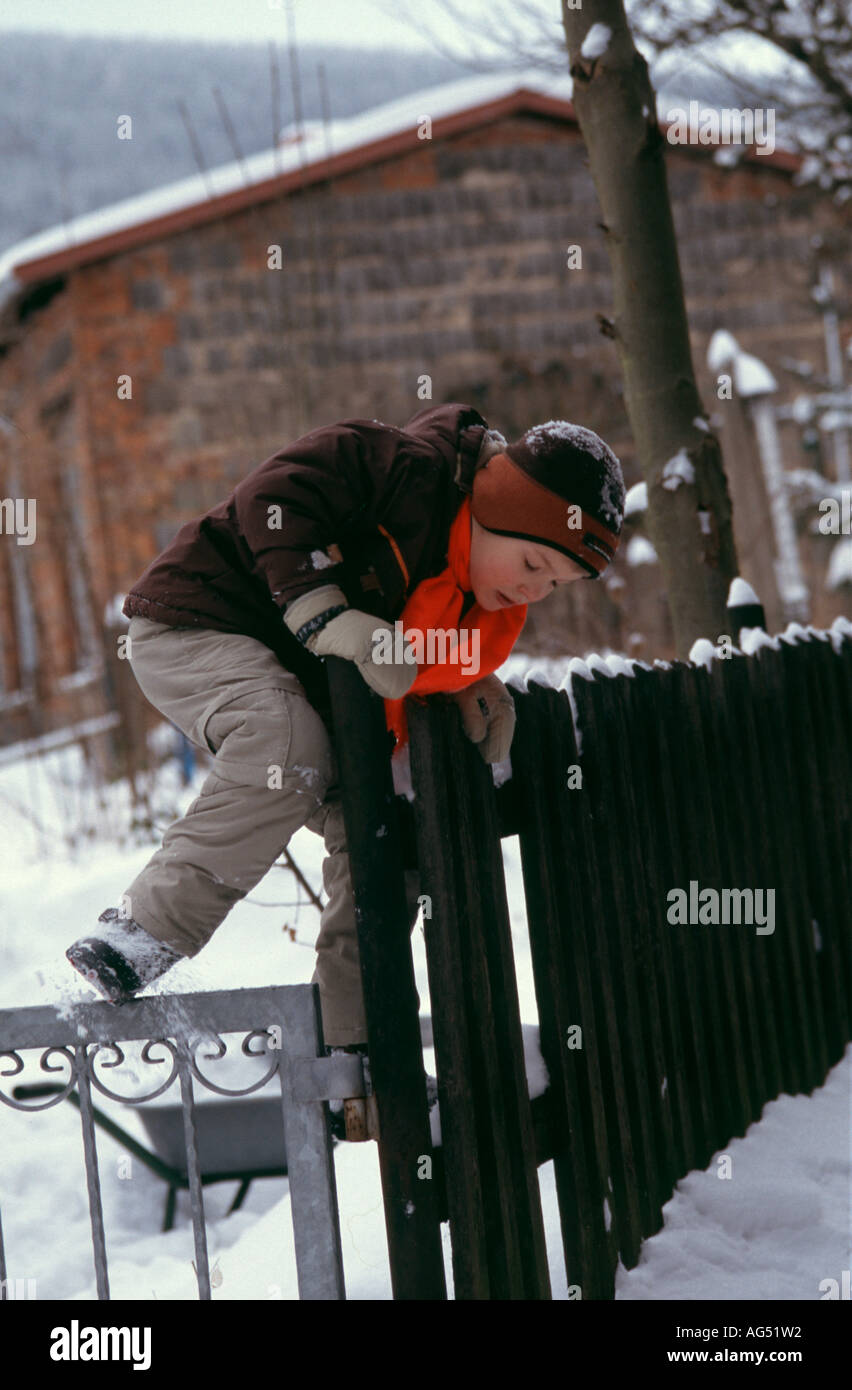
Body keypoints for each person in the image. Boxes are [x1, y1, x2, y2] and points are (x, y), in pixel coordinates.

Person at [65, 404, 624, 1126]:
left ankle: (361, 1064)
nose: (534, 590)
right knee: (285, 743)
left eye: (554, 584)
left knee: (387, 837)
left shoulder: (467, 597)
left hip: (317, 701)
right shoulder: (394, 466)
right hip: (199, 625)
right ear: (493, 507)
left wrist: (465, 682)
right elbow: (272, 499)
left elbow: (415, 649)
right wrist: (322, 609)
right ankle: (141, 933)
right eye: (531, 563)